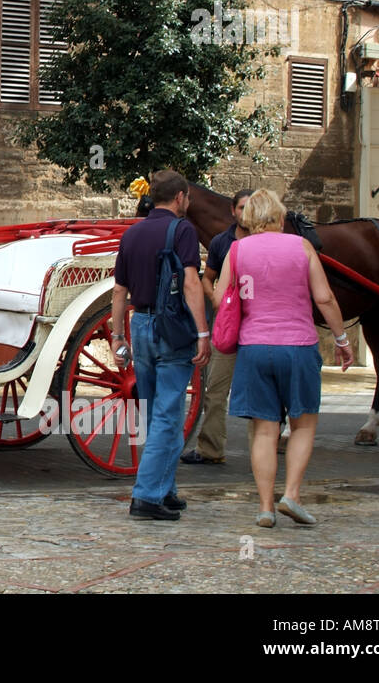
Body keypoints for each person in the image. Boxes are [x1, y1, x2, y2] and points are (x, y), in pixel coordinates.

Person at [217, 189, 354, 527]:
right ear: (279, 218)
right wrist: (342, 338)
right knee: (303, 423)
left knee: (264, 429)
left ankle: (265, 507)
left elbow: (221, 297)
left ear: (248, 219)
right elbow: (324, 298)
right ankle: (291, 494)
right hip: (298, 346)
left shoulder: (236, 250)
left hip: (253, 348)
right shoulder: (301, 247)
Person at [112, 170, 211, 521]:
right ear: (181, 197)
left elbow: (119, 290)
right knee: (169, 414)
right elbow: (190, 282)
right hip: (171, 328)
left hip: (139, 325)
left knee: (155, 413)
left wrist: (117, 336)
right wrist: (202, 331)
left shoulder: (133, 232)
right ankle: (147, 496)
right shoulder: (182, 230)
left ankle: (165, 490)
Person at [182, 188, 252, 465]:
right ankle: (211, 448)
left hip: (259, 327)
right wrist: (218, 300)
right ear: (232, 211)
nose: (245, 213)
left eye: (251, 207)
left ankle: (270, 441)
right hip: (229, 326)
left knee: (265, 390)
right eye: (241, 208)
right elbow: (207, 278)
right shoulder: (222, 242)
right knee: (215, 389)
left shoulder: (268, 240)